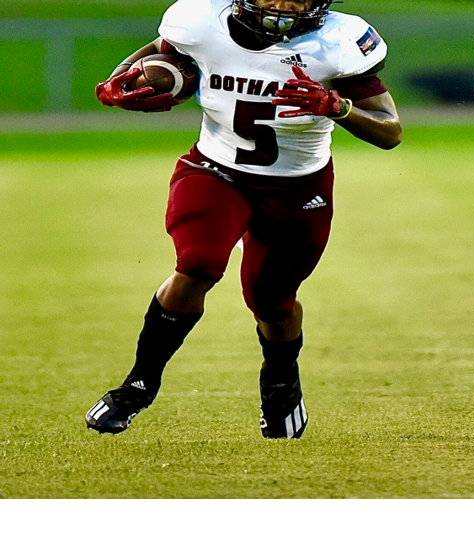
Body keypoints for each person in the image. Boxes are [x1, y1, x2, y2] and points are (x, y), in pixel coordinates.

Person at [85, 0, 402, 438]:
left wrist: (339, 108)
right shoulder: (200, 21)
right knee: (198, 264)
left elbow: (391, 131)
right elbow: (160, 51)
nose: (283, 5)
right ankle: (138, 385)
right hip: (215, 170)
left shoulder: (339, 42)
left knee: (272, 301)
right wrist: (118, 81)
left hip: (298, 187)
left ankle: (281, 382)